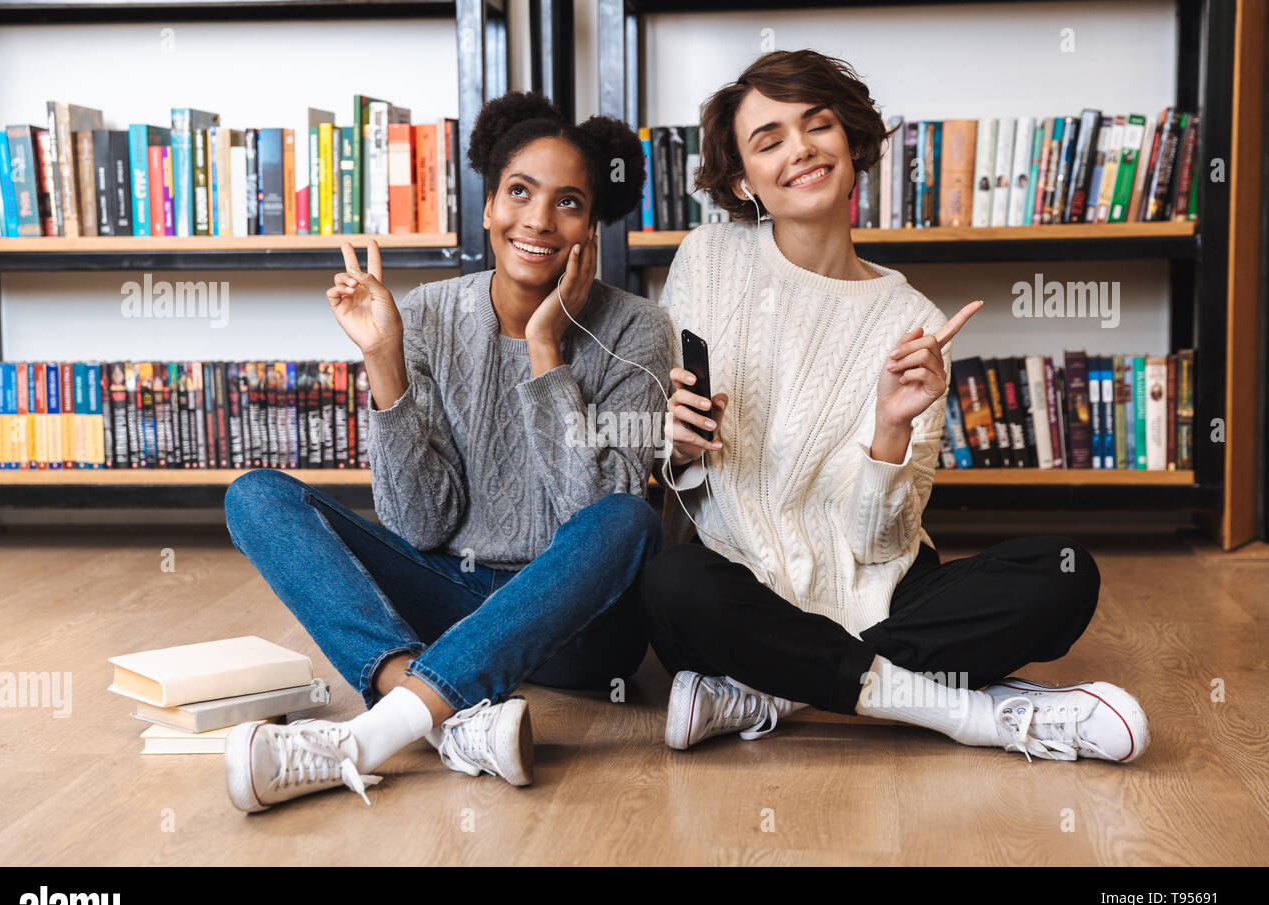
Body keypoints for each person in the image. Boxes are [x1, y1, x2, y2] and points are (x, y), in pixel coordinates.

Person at [641, 49, 1150, 763]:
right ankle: (967, 715)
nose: (802, 150)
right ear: (740, 180)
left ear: (849, 142)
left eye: (817, 126)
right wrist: (685, 446)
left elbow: (878, 545)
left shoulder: (912, 320)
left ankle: (772, 692)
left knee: (1063, 572)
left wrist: (890, 429)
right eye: (770, 140)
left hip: (875, 595)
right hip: (741, 584)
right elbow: (680, 470)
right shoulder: (709, 259)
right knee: (674, 584)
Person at [222, 91, 673, 811]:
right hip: (451, 598)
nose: (537, 220)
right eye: (519, 192)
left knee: (630, 520)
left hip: (579, 631)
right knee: (254, 496)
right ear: (490, 204)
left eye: (568, 203)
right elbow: (419, 528)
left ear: (593, 225)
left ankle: (368, 736)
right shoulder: (427, 313)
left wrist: (546, 348)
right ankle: (437, 714)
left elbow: (591, 512)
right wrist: (385, 360)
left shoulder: (639, 330)